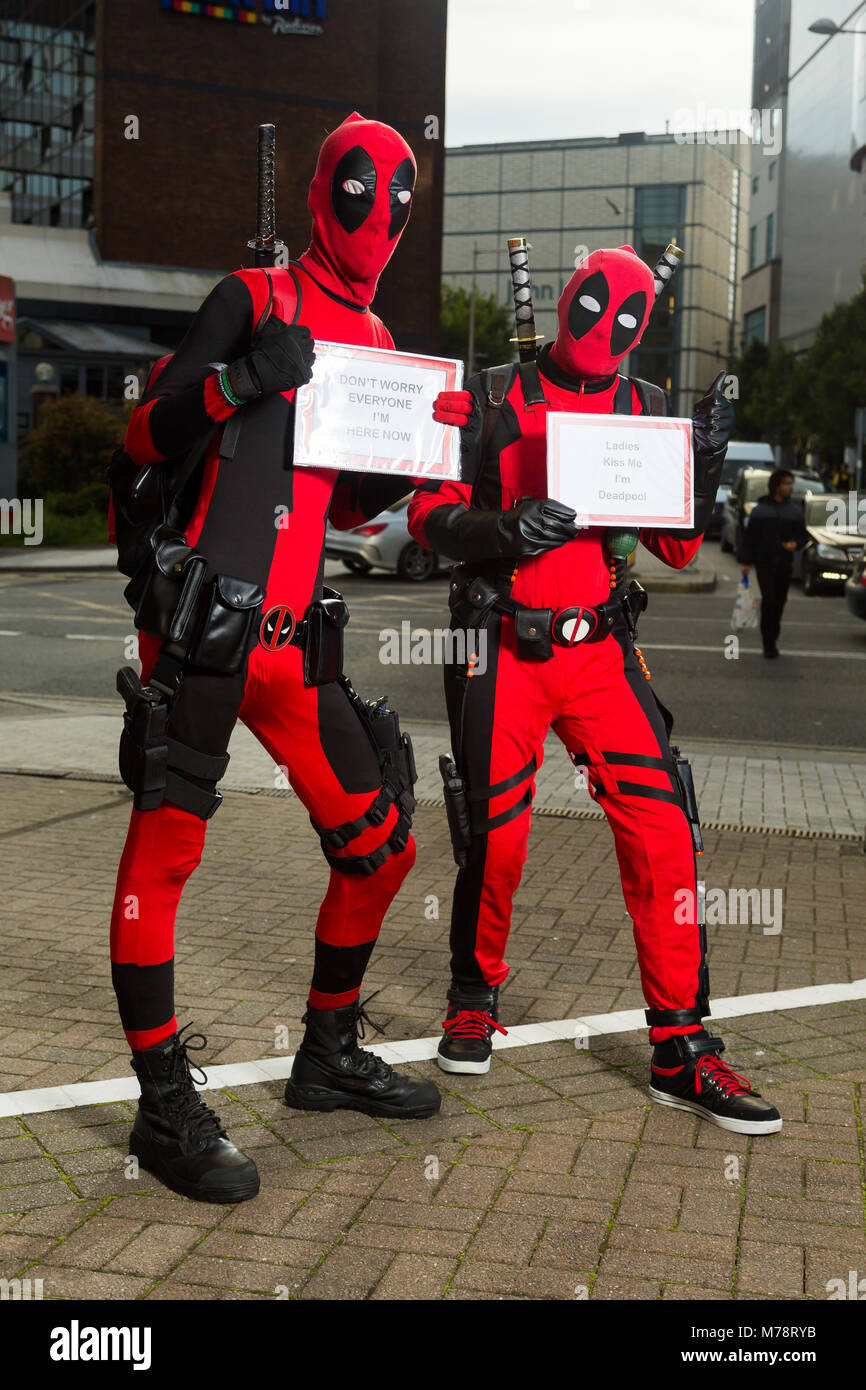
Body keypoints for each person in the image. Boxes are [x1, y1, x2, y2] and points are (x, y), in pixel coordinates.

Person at [109, 113, 440, 1205]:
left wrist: (417, 460)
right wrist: (241, 379)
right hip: (206, 630)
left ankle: (326, 1051)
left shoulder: (380, 344)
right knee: (163, 861)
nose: (376, 212)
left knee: (381, 843)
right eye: (358, 188)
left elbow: (344, 499)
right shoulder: (250, 298)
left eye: (396, 195)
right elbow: (147, 431)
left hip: (294, 646)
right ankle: (163, 1106)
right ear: (318, 192)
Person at [407, 245, 782, 1135]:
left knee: (664, 830)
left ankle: (682, 1046)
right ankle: (473, 992)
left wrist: (705, 462)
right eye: (592, 305)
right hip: (503, 642)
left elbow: (683, 551)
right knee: (495, 837)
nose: (604, 327)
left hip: (600, 650)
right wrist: (500, 527)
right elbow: (425, 512)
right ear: (568, 296)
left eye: (626, 318)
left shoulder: (643, 409)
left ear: (642, 331)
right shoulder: (494, 396)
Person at [740, 468, 808, 658]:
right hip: (764, 563)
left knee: (779, 602)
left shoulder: (795, 511)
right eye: (786, 483)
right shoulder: (760, 510)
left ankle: (772, 636)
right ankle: (768, 641)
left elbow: (803, 536)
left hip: (785, 564)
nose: (790, 487)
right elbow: (749, 539)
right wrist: (746, 562)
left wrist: (796, 544)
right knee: (769, 600)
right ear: (776, 486)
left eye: (791, 483)